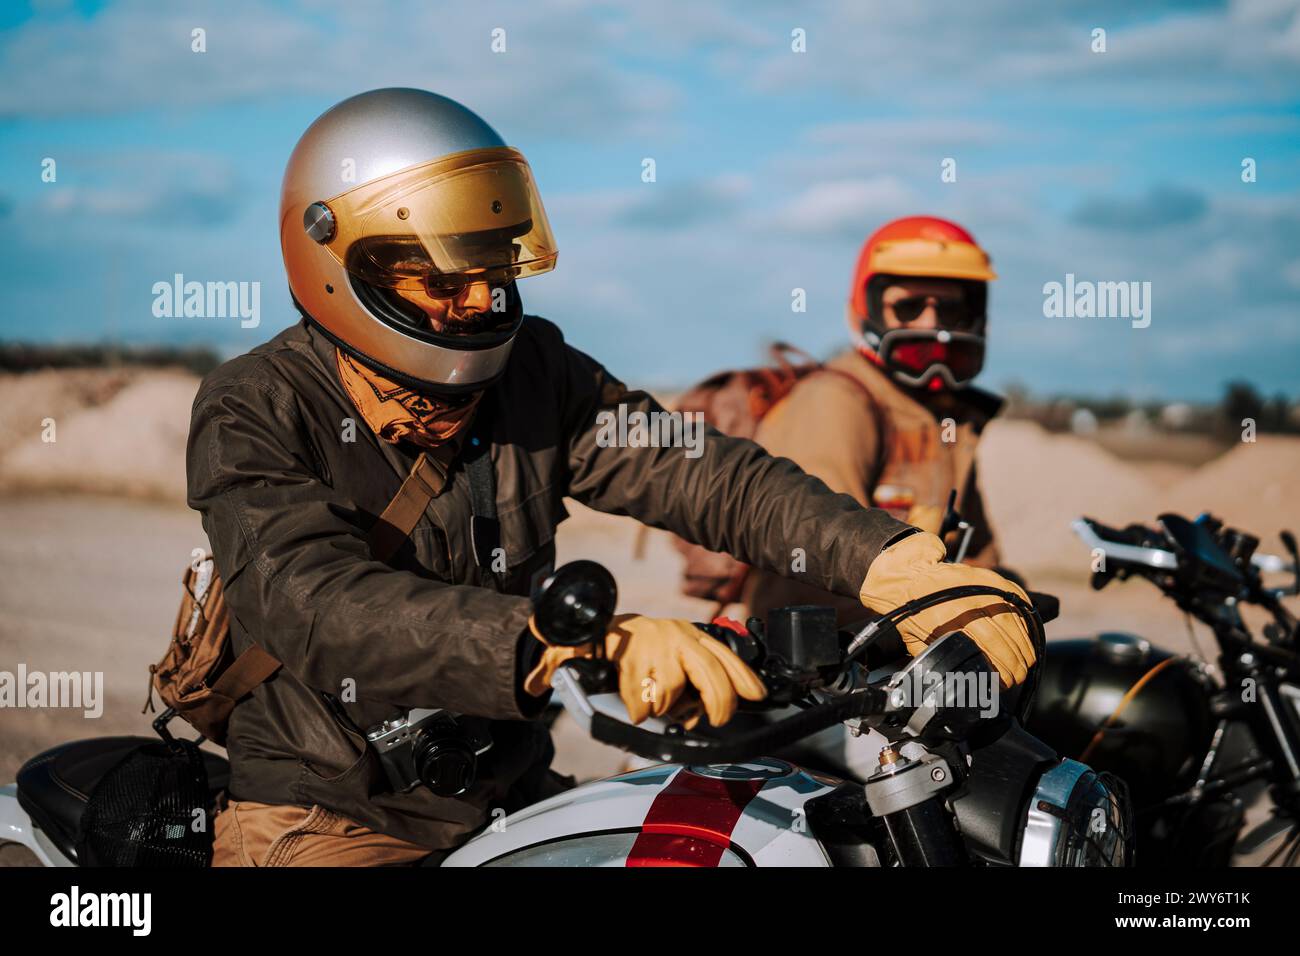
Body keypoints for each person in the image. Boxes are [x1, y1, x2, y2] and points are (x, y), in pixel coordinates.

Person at [187, 90, 1035, 866]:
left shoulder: (533, 371)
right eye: (447, 274)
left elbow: (699, 471)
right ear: (339, 259)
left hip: (511, 797)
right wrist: (564, 639)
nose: (484, 300)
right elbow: (311, 598)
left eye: (493, 263)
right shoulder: (253, 406)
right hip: (332, 816)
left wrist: (892, 563)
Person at [743, 215, 1010, 630]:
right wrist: (940, 621)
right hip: (832, 666)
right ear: (867, 309)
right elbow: (815, 561)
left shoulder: (949, 417)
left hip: (921, 657)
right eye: (908, 306)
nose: (930, 324)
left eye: (951, 308)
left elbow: (977, 556)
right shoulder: (837, 400)